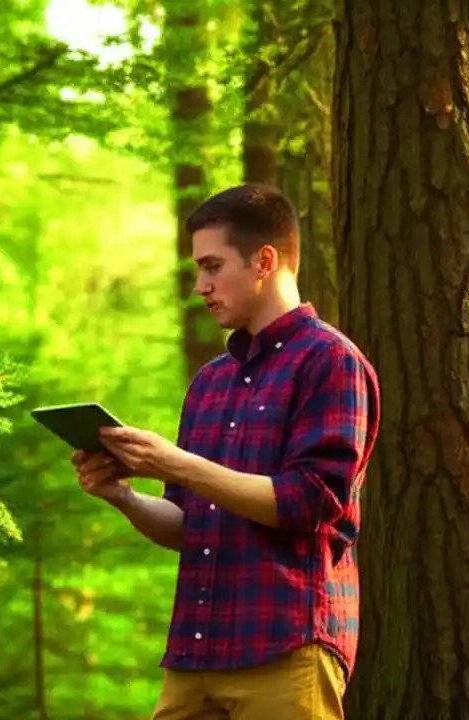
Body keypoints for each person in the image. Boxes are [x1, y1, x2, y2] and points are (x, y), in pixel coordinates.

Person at [74, 183, 380, 719]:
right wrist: (121, 495)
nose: (201, 285)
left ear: (264, 260)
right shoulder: (210, 383)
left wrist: (175, 461)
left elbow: (309, 502)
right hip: (195, 653)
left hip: (286, 648)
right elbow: (186, 524)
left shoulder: (331, 362)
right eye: (198, 270)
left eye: (212, 266)